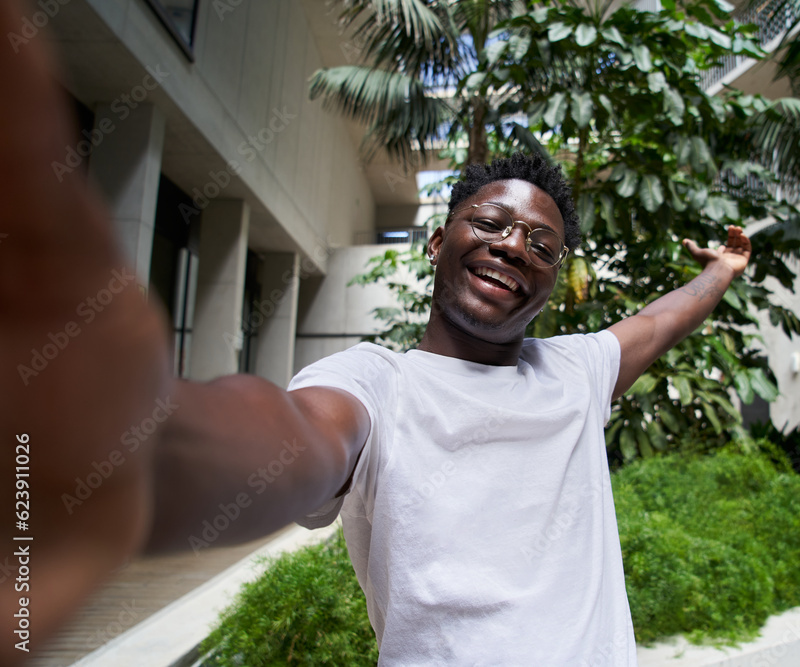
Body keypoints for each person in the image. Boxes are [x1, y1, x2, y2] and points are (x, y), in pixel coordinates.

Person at [0, 0, 749, 663]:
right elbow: (296, 438)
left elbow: (657, 320)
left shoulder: (575, 371)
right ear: (436, 242)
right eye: (490, 223)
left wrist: (723, 269)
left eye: (541, 245)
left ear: (553, 280)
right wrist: (130, 444)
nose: (515, 245)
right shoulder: (374, 383)